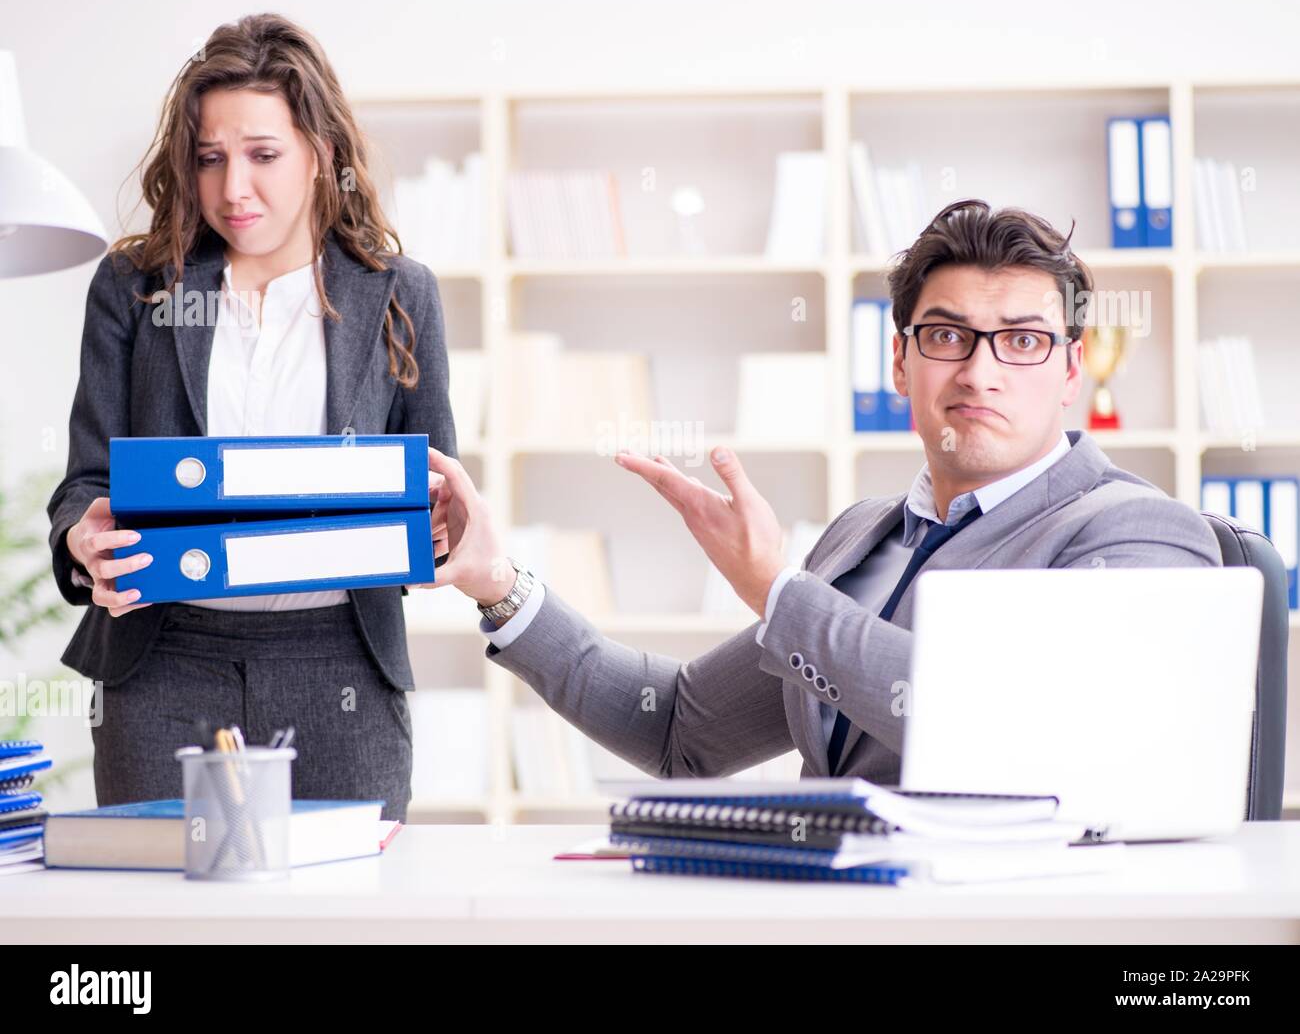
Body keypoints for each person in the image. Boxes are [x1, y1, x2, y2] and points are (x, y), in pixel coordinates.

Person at [419, 198, 1220, 782]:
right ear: (900, 363)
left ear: (1071, 370)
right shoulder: (863, 537)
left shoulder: (1139, 533)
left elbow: (1013, 728)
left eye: (1021, 340)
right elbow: (677, 731)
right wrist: (500, 585)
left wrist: (775, 588)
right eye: (946, 336)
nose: (980, 372)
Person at [47, 13, 457, 822]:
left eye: (264, 155)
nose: (234, 189)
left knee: (346, 918)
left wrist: (447, 526)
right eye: (210, 158)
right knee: (160, 911)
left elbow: (436, 484)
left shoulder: (402, 293)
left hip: (341, 664)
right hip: (164, 661)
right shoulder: (133, 289)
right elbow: (86, 484)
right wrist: (80, 540)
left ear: (321, 154)